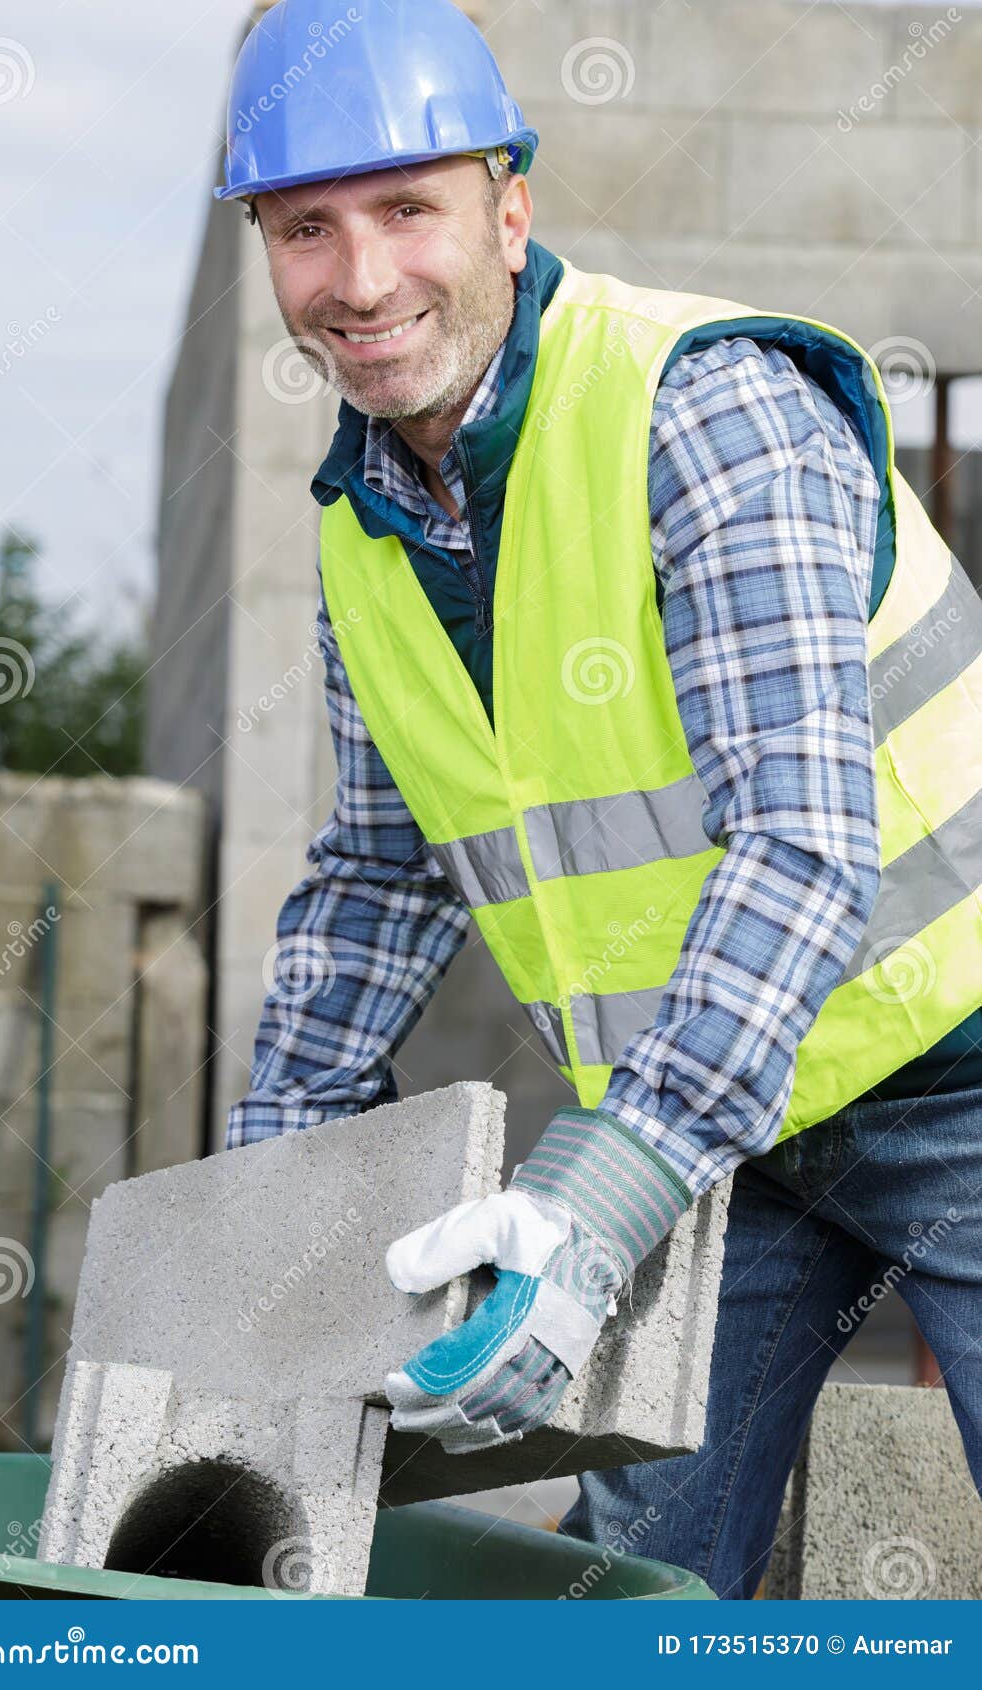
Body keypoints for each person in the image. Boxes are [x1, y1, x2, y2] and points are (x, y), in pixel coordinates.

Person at [216, 0, 982, 1597]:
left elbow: (802, 840)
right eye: (305, 229)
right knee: (632, 1587)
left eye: (408, 208)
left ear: (511, 210)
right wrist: (259, 1210)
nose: (360, 279)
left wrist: (597, 1195)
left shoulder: (702, 410)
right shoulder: (366, 529)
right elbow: (379, 874)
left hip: (957, 1075)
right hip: (735, 1117)